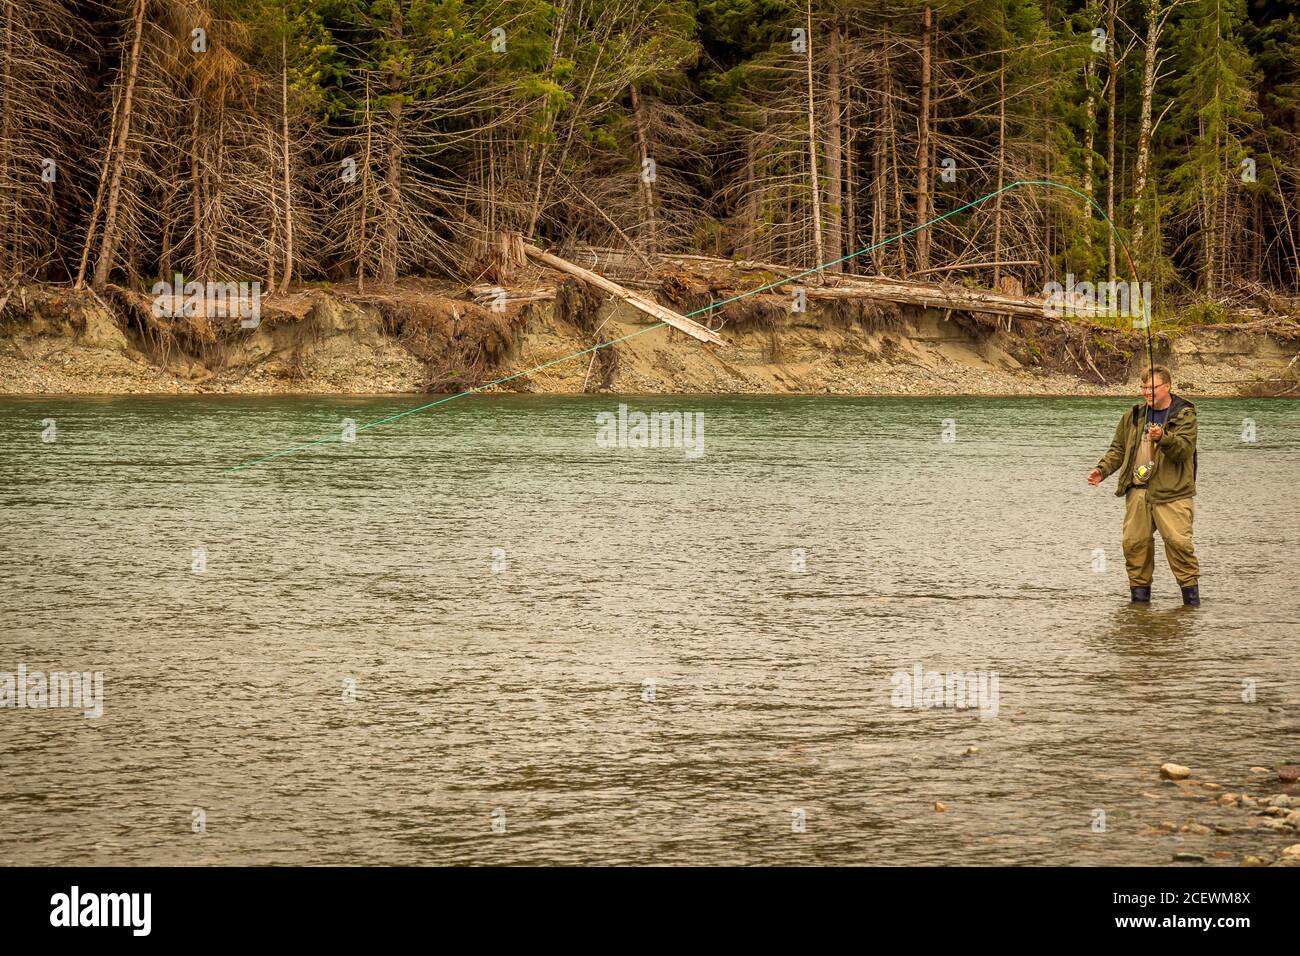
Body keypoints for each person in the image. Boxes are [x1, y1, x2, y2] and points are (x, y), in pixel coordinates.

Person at [1087, 365, 1200, 606]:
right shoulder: (1133, 415)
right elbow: (1118, 449)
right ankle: (1139, 609)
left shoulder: (1185, 415)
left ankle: (1191, 606)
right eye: (1144, 387)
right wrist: (1102, 470)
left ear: (1167, 387)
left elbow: (1184, 450)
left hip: (1173, 494)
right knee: (1134, 546)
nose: (1147, 392)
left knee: (1179, 545)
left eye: (1152, 388)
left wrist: (1163, 438)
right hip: (1138, 492)